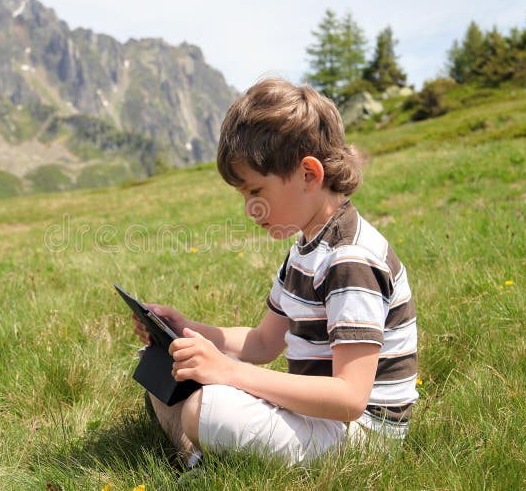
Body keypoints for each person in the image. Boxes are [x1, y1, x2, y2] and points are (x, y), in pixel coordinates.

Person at [131, 78, 418, 467]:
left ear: (308, 175)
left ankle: (199, 455)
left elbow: (350, 399)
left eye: (255, 192)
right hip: (318, 416)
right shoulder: (305, 249)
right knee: (171, 367)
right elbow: (263, 343)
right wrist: (186, 329)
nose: (249, 210)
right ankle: (202, 455)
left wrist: (229, 373)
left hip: (362, 436)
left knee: (202, 407)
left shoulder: (350, 260)